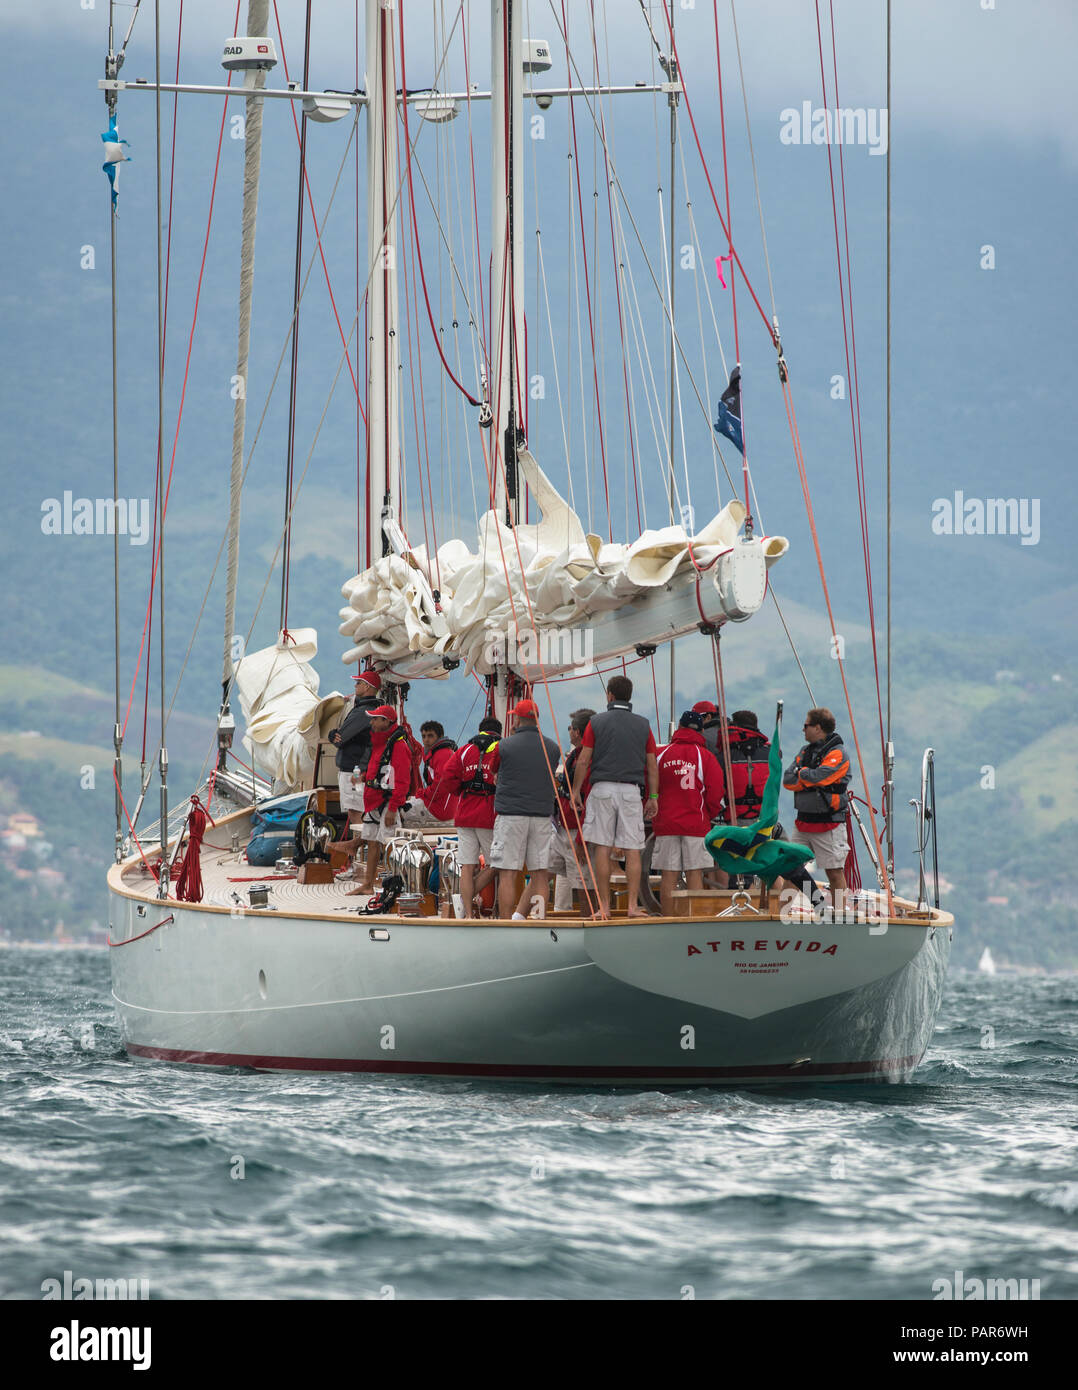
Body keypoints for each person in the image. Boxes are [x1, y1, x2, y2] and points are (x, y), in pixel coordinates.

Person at [572, 675, 658, 918]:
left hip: (602, 789)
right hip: (632, 790)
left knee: (601, 847)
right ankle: (632, 907)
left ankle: (605, 908)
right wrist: (653, 796)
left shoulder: (596, 723)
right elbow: (652, 765)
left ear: (609, 694)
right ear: (629, 695)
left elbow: (584, 759)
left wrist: (577, 790)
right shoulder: (643, 724)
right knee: (632, 848)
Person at [488, 699, 561, 920]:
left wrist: (513, 735)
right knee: (540, 874)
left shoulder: (504, 745)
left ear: (517, 719)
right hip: (541, 816)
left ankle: (506, 922)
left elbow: (493, 769)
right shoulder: (553, 747)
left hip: (511, 815)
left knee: (508, 872)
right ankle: (538, 918)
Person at [653, 711, 726, 915]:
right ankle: (695, 920)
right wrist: (707, 815)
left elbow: (651, 788)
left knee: (669, 876)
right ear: (701, 730)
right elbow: (716, 793)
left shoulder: (661, 754)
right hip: (695, 824)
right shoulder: (706, 757)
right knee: (695, 874)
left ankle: (668, 919)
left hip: (666, 823)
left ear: (679, 729)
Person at [783, 707, 851, 914]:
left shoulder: (838, 753)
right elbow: (787, 780)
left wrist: (802, 774)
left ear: (818, 727)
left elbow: (821, 776)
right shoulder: (805, 751)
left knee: (834, 871)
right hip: (803, 823)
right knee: (790, 869)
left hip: (828, 823)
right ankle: (781, 913)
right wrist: (809, 777)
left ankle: (839, 915)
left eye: (806, 725)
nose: (803, 730)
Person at [347, 705, 414, 896]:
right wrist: (364, 776)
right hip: (375, 801)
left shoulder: (398, 746)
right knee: (372, 841)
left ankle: (396, 885)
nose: (371, 722)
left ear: (386, 721)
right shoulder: (381, 743)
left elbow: (402, 780)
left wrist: (393, 808)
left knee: (390, 843)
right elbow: (380, 769)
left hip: (387, 803)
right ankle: (368, 884)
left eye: (375, 719)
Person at [440, 716, 501, 913]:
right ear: (498, 732)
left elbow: (447, 775)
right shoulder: (501, 748)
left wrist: (460, 791)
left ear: (480, 730)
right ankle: (492, 908)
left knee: (467, 866)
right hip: (488, 814)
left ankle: (466, 912)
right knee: (496, 864)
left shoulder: (465, 750)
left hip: (464, 812)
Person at [328, 669, 382, 846]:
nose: (355, 686)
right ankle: (360, 852)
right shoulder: (371, 710)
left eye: (358, 683)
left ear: (367, 687)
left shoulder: (363, 712)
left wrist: (334, 735)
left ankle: (359, 853)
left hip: (354, 770)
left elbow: (340, 740)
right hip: (360, 768)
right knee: (359, 812)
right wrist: (334, 735)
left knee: (356, 813)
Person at [549, 708, 594, 912]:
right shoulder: (575, 756)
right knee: (549, 871)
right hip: (564, 827)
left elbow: (589, 801)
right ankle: (558, 911)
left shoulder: (586, 760)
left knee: (582, 883)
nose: (568, 731)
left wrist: (581, 839)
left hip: (577, 829)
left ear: (577, 732)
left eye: (570, 727)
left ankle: (588, 920)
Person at [416, 720, 458, 823]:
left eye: (430, 736)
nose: (426, 740)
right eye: (423, 736)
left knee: (399, 810)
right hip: (441, 805)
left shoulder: (442, 754)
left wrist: (421, 793)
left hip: (441, 809)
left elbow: (440, 786)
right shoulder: (434, 753)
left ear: (439, 737)